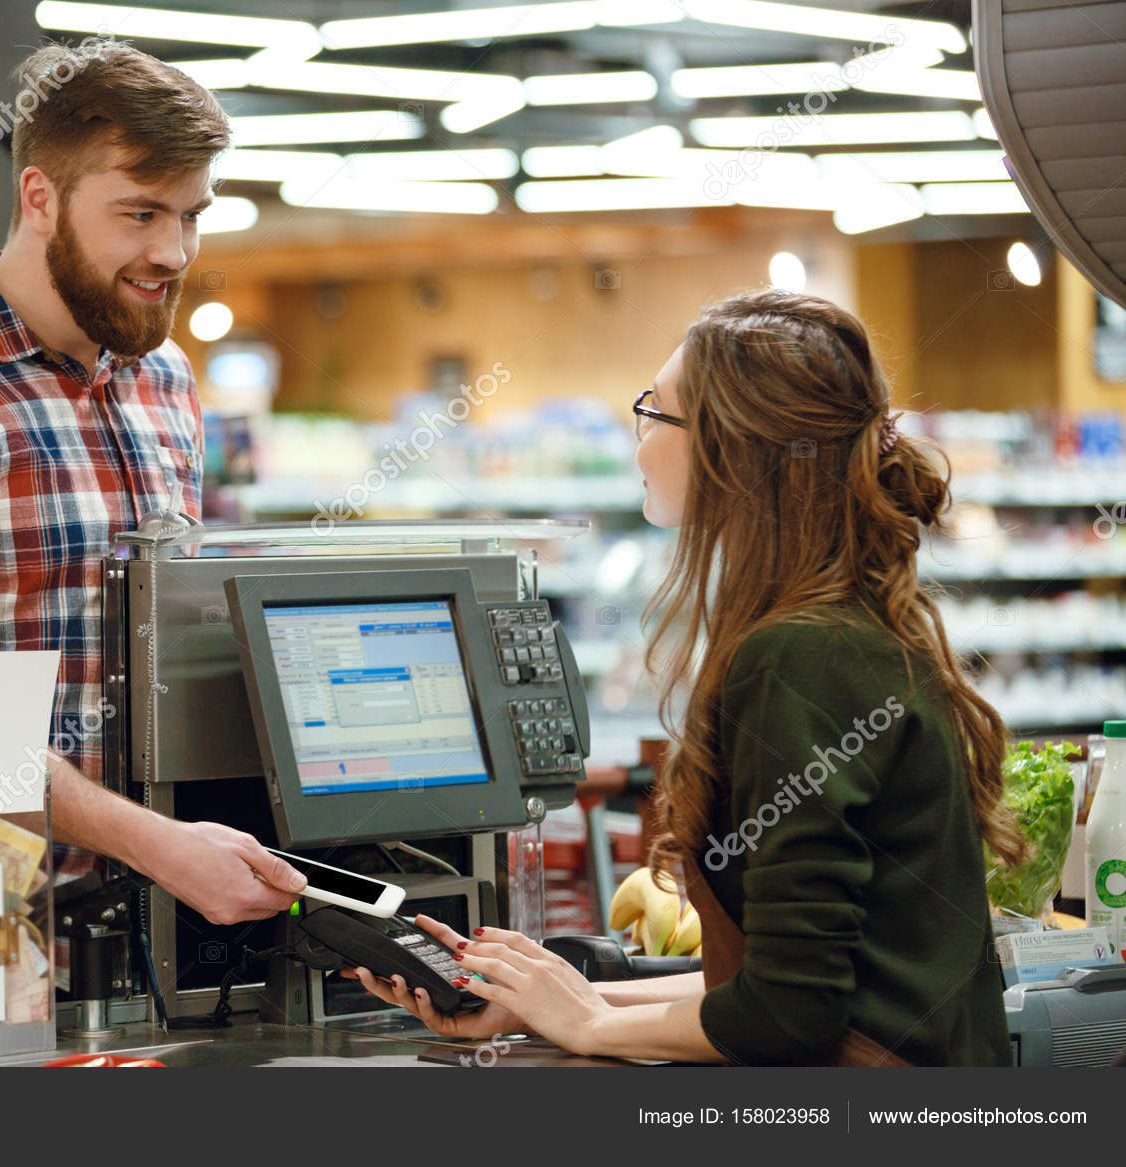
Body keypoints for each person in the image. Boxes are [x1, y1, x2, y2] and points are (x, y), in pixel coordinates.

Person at [350, 290, 1019, 1065]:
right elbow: (794, 988)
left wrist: (593, 1027)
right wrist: (560, 1000)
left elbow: (791, 1016)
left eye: (653, 411)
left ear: (730, 450)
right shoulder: (846, 629)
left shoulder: (796, 657)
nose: (638, 443)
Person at [0, 41, 302, 926]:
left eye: (192, 216)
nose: (173, 251)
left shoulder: (164, 380)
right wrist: (162, 843)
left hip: (159, 907)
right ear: (40, 197)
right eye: (140, 213)